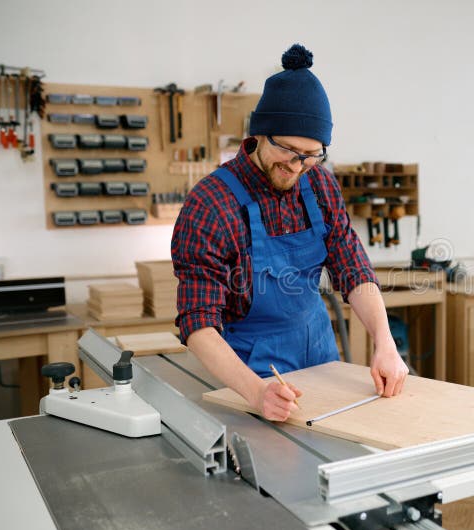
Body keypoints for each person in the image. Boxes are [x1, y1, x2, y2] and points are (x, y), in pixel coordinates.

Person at [171, 44, 408, 422]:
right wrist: (255, 391)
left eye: (312, 155)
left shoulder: (320, 185)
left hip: (318, 353)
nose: (298, 166)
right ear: (261, 134)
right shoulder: (211, 204)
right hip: (248, 372)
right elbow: (197, 323)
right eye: (289, 151)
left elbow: (354, 270)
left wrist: (385, 341)